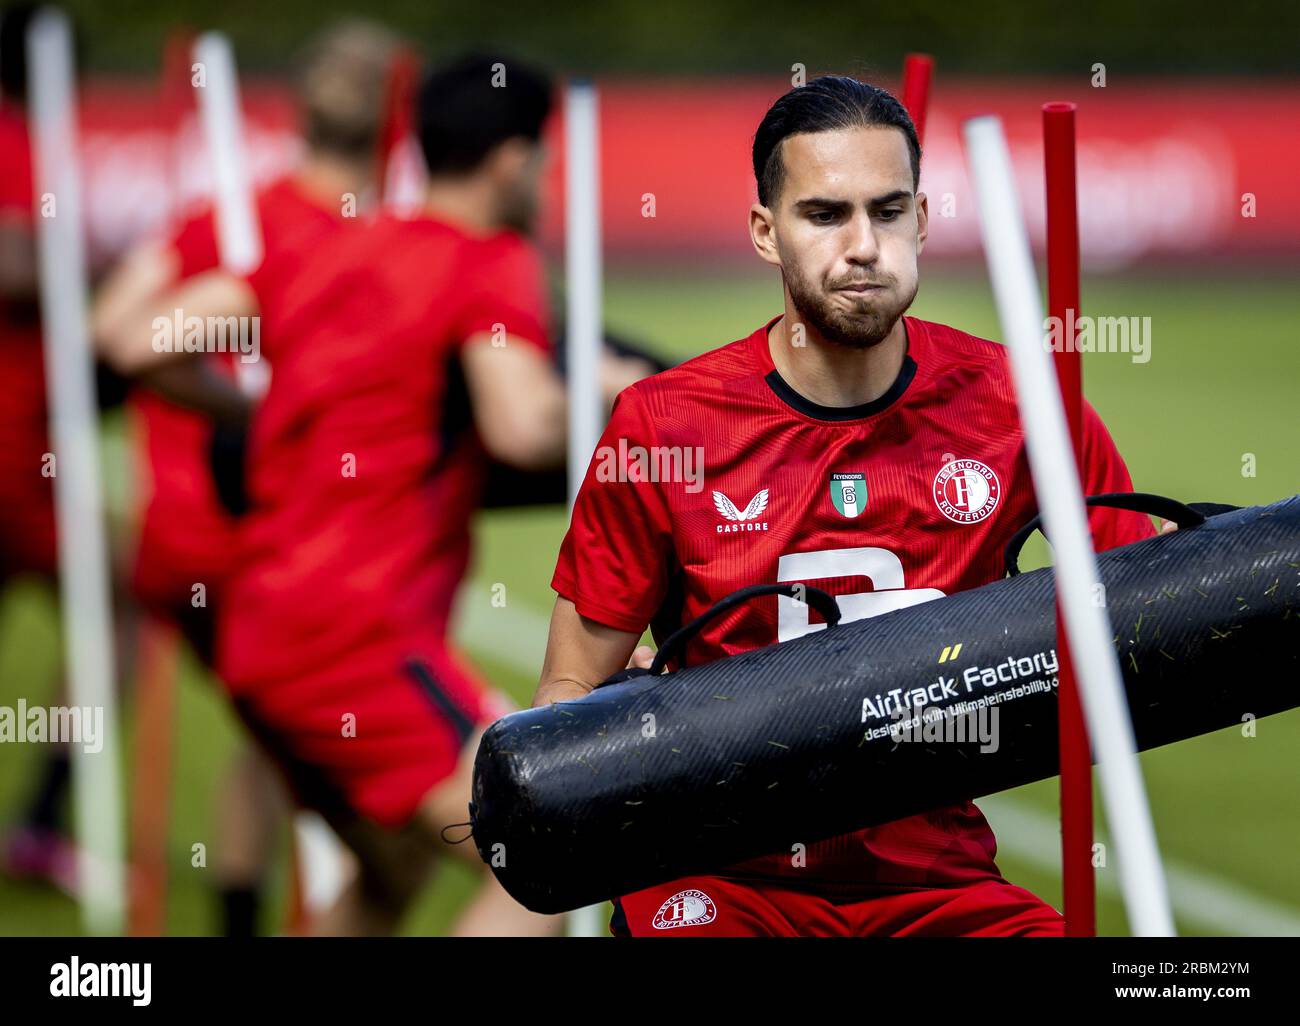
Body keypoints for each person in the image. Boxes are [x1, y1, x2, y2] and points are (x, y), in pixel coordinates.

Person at [534, 75, 1172, 937]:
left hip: (937, 884)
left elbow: (1147, 616)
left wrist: (1179, 567)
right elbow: (568, 691)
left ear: (922, 219)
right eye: (826, 214)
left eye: (888, 209)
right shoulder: (664, 424)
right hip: (722, 883)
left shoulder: (1023, 405)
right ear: (767, 233)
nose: (864, 245)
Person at [120, 53, 645, 935]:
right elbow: (520, 424)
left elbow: (143, 342)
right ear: (511, 163)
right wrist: (607, 394)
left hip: (259, 634)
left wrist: (249, 412)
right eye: (545, 162)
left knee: (394, 868)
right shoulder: (486, 260)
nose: (547, 182)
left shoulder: (330, 246)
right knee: (554, 843)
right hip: (353, 639)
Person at [93, 18, 403, 935]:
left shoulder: (223, 220)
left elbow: (111, 324)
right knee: (385, 801)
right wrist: (255, 411)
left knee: (275, 746)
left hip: (178, 541)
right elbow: (128, 339)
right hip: (267, 550)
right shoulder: (355, 242)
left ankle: (241, 919)